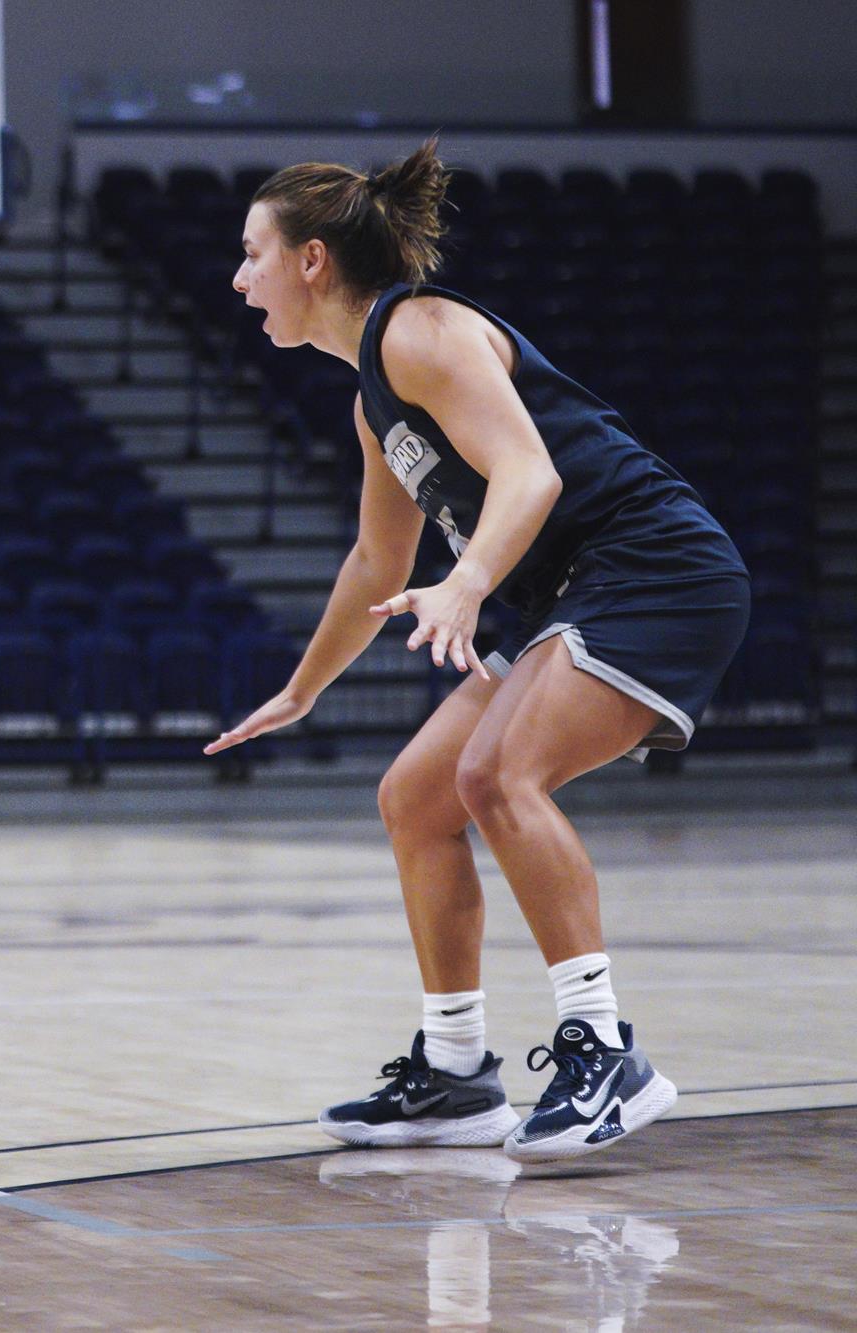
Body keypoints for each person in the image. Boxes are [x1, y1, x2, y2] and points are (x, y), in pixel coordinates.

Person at [211, 139, 749, 1163]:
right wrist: (301, 689)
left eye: (251, 254)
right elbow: (376, 560)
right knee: (414, 798)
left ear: (311, 260)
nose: (239, 279)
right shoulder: (374, 398)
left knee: (495, 773)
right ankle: (455, 1073)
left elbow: (529, 476)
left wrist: (463, 584)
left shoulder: (420, 330)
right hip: (572, 587)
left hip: (655, 568)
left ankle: (602, 1051)